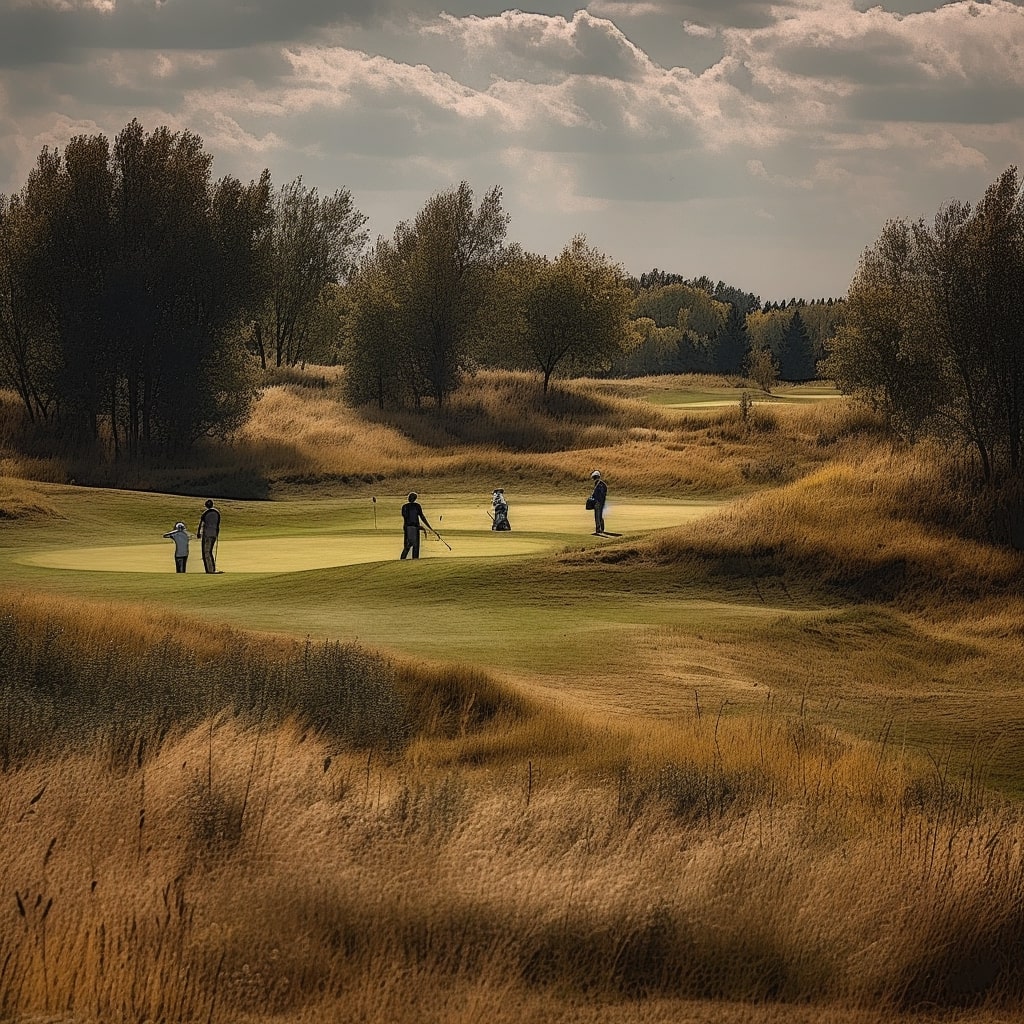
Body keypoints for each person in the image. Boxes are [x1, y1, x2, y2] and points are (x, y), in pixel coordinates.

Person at [400, 491, 433, 559]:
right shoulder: (413, 506)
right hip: (411, 528)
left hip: (410, 527)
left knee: (412, 546)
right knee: (410, 546)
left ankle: (408, 560)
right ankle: (405, 560)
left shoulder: (408, 506)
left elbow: (421, 517)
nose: (409, 498)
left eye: (410, 497)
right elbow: (411, 517)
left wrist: (428, 527)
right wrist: (423, 526)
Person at [196, 498, 221, 574]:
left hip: (207, 534)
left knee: (206, 552)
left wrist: (198, 533)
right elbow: (218, 524)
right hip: (214, 534)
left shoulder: (205, 513)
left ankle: (210, 570)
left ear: (206, 505)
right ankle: (212, 568)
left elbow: (201, 524)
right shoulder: (217, 513)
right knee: (210, 552)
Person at [589, 470, 607, 534]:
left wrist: (595, 499)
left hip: (598, 502)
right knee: (600, 515)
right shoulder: (602, 484)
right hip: (601, 502)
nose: (593, 479)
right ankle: (602, 529)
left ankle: (598, 530)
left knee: (597, 516)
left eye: (594, 477)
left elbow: (598, 494)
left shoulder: (598, 484)